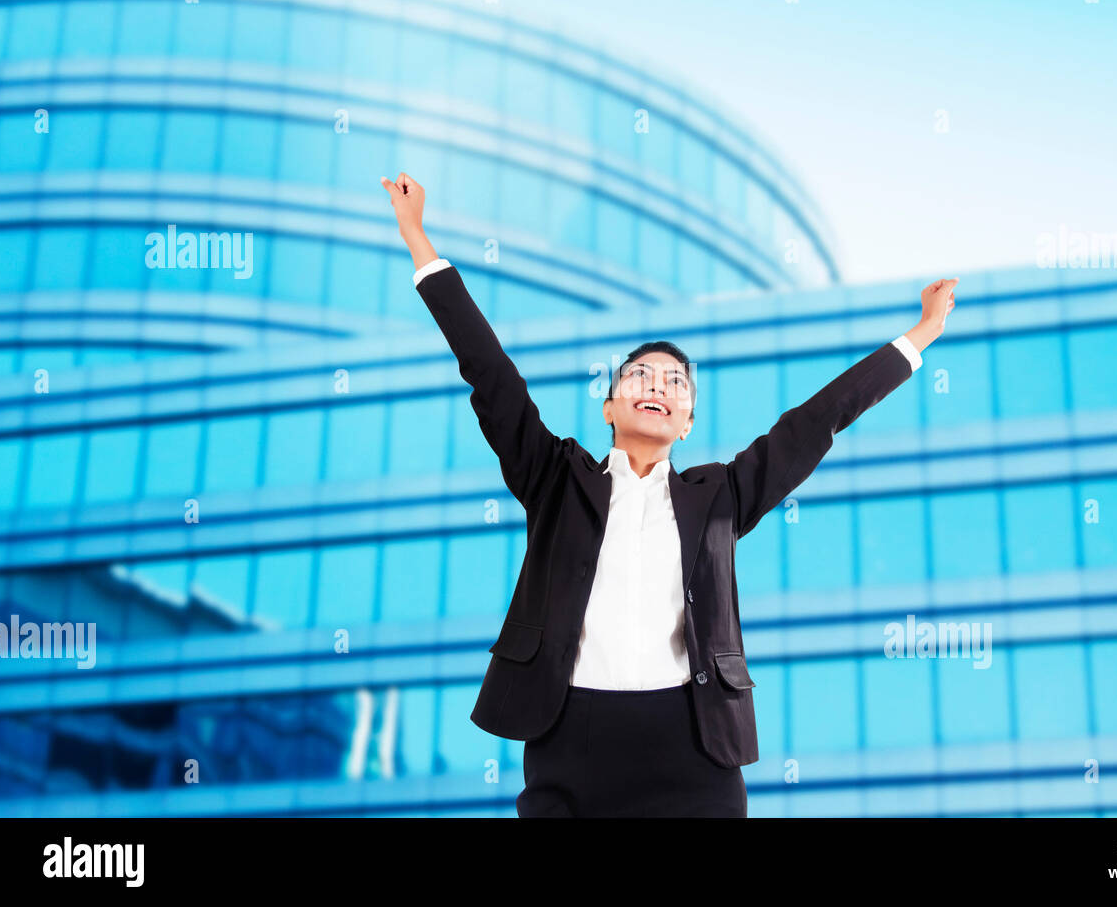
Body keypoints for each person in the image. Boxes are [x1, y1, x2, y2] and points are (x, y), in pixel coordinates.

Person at [380, 172, 957, 816]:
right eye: (641, 374)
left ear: (686, 423)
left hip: (692, 746)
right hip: (570, 740)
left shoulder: (722, 496)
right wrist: (416, 237)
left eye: (676, 382)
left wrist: (921, 335)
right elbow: (488, 369)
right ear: (609, 407)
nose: (658, 383)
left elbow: (815, 421)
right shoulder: (554, 478)